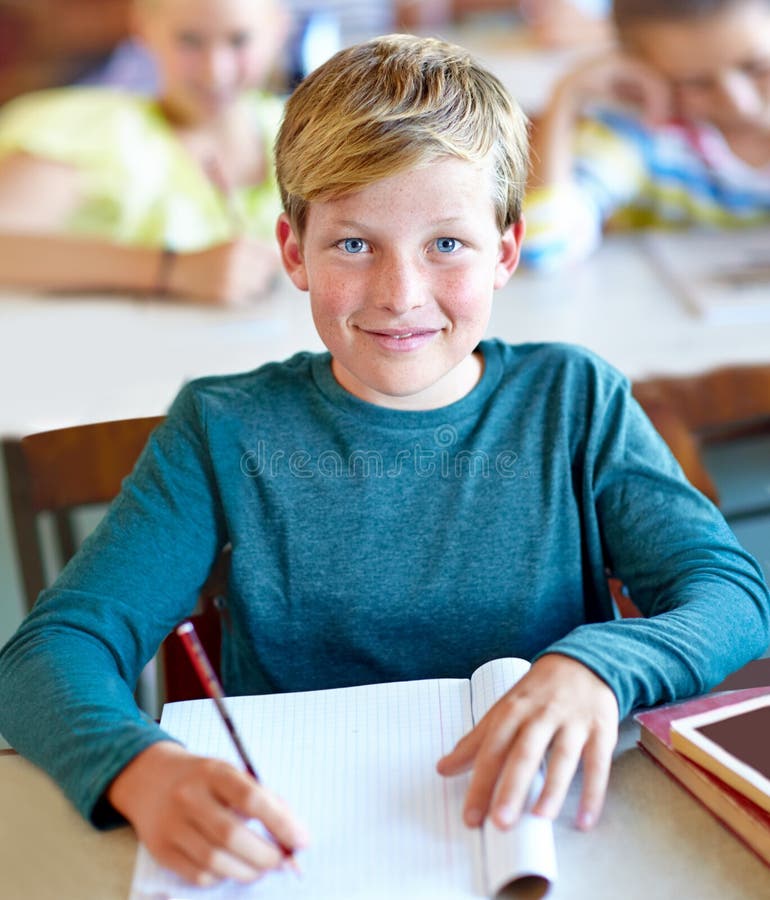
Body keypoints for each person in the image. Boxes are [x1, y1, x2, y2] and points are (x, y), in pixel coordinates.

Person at [1, 33, 768, 889]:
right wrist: (136, 766)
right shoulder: (223, 429)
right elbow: (48, 653)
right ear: (294, 250)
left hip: (554, 832)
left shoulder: (574, 401)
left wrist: (601, 666)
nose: (400, 295)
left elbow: (732, 593)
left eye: (447, 244)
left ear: (506, 251)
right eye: (354, 245)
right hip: (299, 849)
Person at [0, 0, 288, 305]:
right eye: (189, 40)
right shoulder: (96, 131)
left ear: (278, 29)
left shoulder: (305, 131)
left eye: (239, 39)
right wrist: (173, 270)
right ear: (142, 30)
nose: (215, 71)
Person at [522, 0, 770, 270]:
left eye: (755, 66)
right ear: (639, 69)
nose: (739, 102)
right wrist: (568, 94)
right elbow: (544, 245)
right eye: (695, 81)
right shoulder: (635, 138)